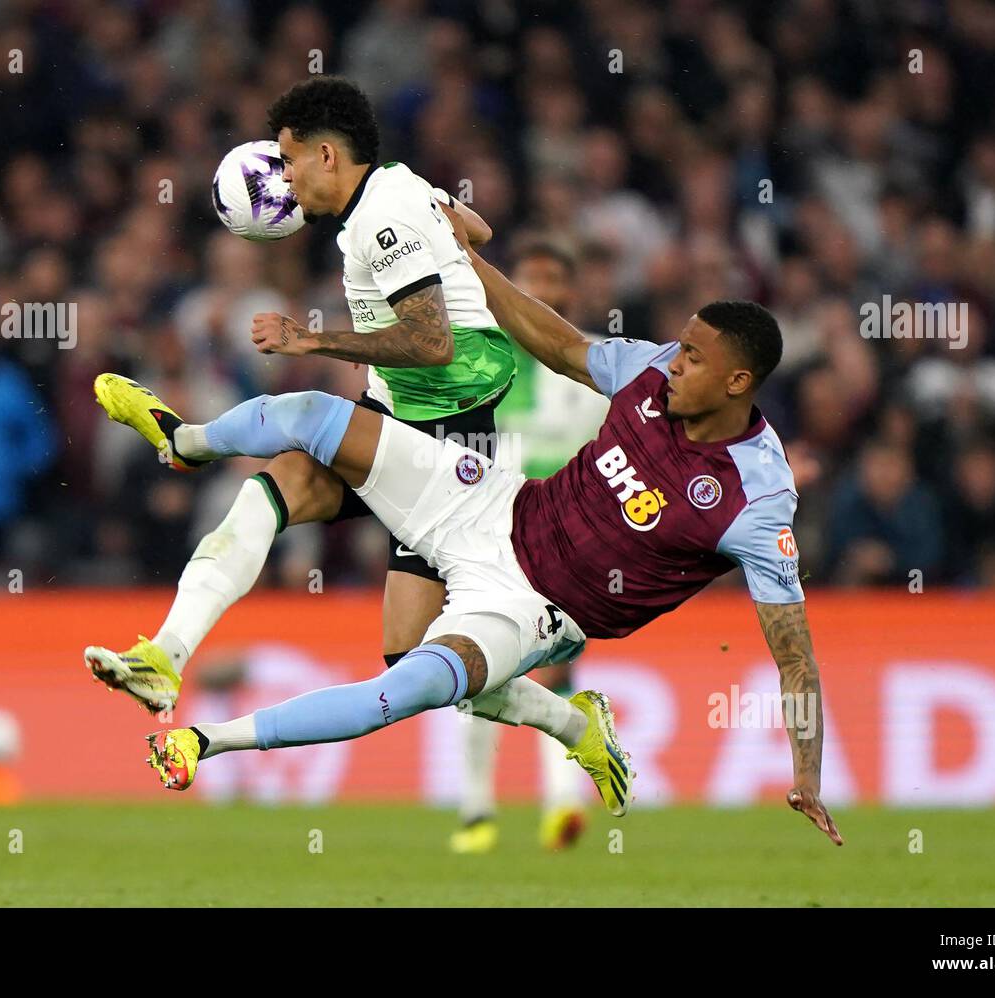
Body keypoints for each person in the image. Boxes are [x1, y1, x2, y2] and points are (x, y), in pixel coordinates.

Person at [85, 209, 841, 841]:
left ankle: (202, 742)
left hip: (536, 609)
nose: (675, 363)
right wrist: (473, 262)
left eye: (695, 360)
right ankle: (182, 442)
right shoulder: (652, 371)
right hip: (497, 503)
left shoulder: (755, 499)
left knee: (401, 683)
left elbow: (795, 658)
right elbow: (558, 343)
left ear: (738, 383)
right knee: (315, 416)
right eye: (680, 349)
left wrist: (806, 773)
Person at [82, 74, 517, 703]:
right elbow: (480, 229)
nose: (284, 177)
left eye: (288, 160)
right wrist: (442, 220)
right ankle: (163, 657)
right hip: (404, 414)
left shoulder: (382, 217)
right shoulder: (398, 185)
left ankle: (185, 441)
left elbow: (433, 344)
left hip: (450, 435)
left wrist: (310, 341)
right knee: (272, 505)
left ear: (328, 155)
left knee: (308, 416)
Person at [454, 239, 608, 853]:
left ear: (574, 291)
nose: (545, 290)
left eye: (556, 280)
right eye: (531, 279)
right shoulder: (483, 355)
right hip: (484, 532)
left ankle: (558, 806)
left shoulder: (598, 359)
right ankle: (475, 809)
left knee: (555, 666)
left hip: (569, 537)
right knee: (473, 669)